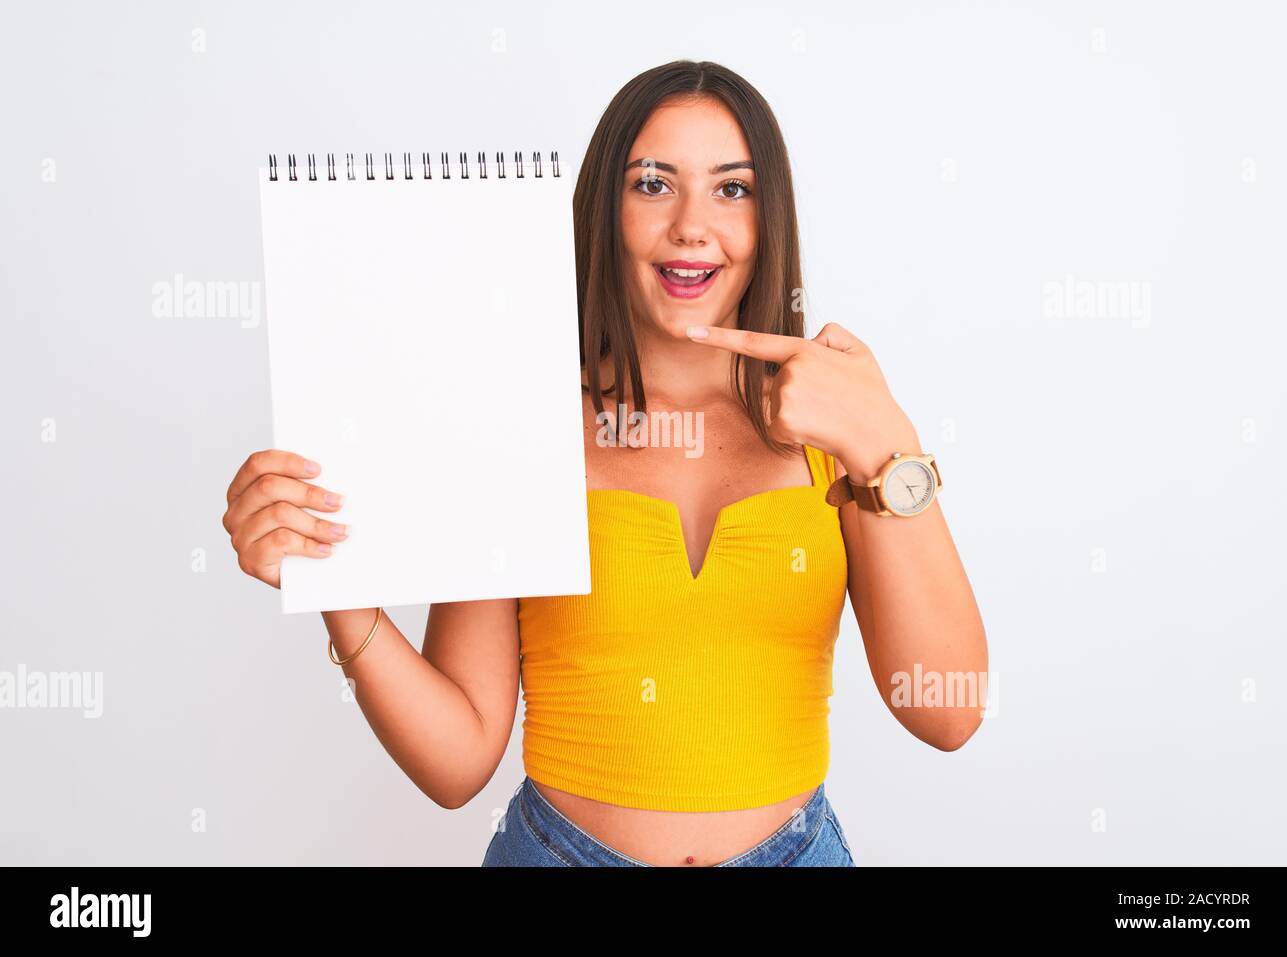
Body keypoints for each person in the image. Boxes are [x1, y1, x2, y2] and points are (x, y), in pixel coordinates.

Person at [222, 60, 988, 867]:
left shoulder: (836, 423)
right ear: (604, 210)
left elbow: (952, 712)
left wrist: (888, 443)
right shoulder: (521, 424)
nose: (693, 225)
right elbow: (458, 760)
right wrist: (335, 586)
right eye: (653, 184)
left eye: (733, 189)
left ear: (770, 220)